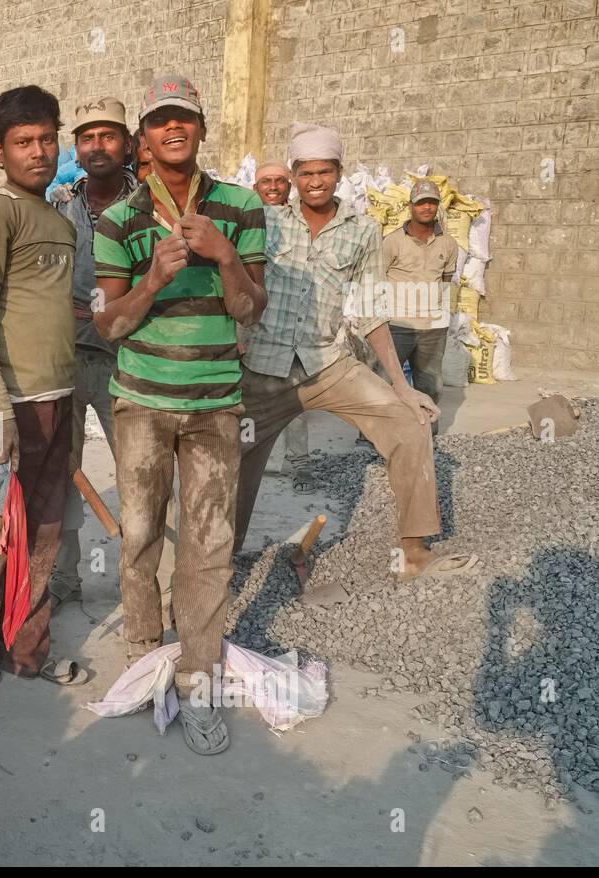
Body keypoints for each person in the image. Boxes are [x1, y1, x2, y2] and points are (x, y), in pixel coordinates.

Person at [93, 75, 268, 754]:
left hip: (215, 404)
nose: (174, 130)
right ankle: (143, 656)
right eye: (161, 121)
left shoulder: (240, 206)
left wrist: (224, 255)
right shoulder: (119, 220)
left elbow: (249, 309)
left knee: (209, 545)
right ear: (145, 136)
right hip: (141, 400)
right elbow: (110, 324)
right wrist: (155, 278)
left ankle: (197, 674)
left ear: (200, 131)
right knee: (138, 538)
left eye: (185, 121)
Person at [235, 122, 479, 581]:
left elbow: (370, 310)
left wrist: (402, 386)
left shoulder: (362, 230)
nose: (315, 182)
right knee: (231, 464)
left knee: (408, 421)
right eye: (305, 173)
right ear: (293, 176)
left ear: (339, 173)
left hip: (327, 365)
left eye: (324, 172)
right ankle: (218, 563)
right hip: (262, 371)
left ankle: (414, 552)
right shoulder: (264, 222)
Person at [0, 85, 78, 683]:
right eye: (23, 142)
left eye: (47, 140)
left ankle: (28, 647)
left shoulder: (57, 218)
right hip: (12, 404)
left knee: (47, 527)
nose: (38, 152)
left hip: (59, 399)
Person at [47, 97, 137, 612]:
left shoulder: (150, 206)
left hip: (127, 361)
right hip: (64, 358)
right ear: (76, 148)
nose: (97, 146)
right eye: (87, 138)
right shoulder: (59, 206)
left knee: (140, 472)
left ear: (127, 144)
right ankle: (64, 579)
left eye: (108, 136)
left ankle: (142, 576)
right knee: (62, 473)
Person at [253, 159, 315, 495]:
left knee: (293, 400)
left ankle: (299, 462)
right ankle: (252, 460)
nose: (273, 187)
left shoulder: (301, 224)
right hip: (253, 325)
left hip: (289, 324)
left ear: (288, 187)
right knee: (250, 401)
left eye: (280, 181)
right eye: (266, 182)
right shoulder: (245, 220)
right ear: (255, 187)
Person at [382, 178, 459, 436]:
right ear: (411, 206)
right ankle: (373, 435)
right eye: (421, 203)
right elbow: (376, 279)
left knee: (431, 385)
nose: (426, 208)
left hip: (432, 327)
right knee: (384, 381)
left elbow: (446, 282)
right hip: (397, 324)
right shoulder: (392, 241)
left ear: (438, 206)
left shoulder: (448, 244)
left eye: (432, 203)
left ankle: (426, 433)